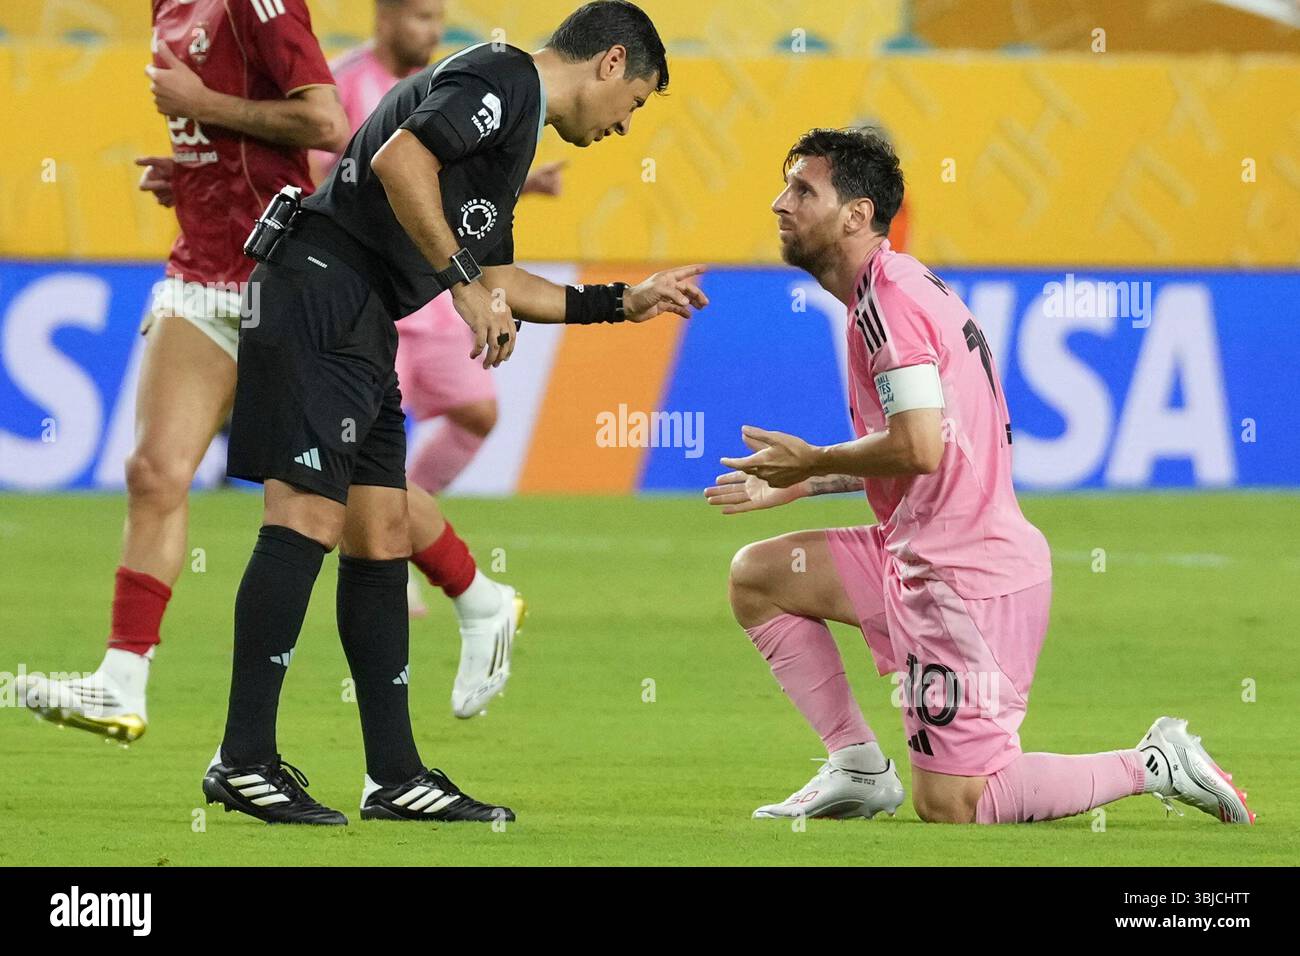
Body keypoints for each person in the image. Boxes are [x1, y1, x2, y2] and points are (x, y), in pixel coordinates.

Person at [203, 0, 709, 825]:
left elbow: (502, 279)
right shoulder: (503, 77)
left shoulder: (511, 131)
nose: (625, 127)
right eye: (638, 104)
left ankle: (394, 777)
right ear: (611, 63)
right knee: (304, 519)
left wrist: (624, 301)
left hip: (360, 314)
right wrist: (462, 282)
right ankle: (244, 756)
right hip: (319, 291)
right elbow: (403, 161)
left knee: (382, 533)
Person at [705, 127, 1252, 826]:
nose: (780, 204)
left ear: (856, 215)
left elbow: (920, 446)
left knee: (957, 803)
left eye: (801, 190)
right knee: (761, 576)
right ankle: (858, 769)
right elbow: (933, 446)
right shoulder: (892, 291)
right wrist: (805, 484)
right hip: (917, 552)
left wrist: (813, 459)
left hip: (961, 580)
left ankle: (1153, 763)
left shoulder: (891, 307)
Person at [16, 0, 348, 742]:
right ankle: (121, 680)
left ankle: (473, 590)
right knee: (153, 472)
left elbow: (327, 124)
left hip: (281, 278)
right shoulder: (167, 6)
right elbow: (234, 136)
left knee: (352, 505)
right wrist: (192, 169)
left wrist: (203, 106)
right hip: (200, 274)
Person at [307, 0, 565, 622]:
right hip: (369, 293)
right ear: (385, 18)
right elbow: (343, 176)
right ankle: (395, 550)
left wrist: (523, 187)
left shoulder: (458, 83)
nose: (431, 31)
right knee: (364, 447)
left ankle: (406, 519)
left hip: (436, 293)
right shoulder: (345, 82)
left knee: (476, 411)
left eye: (437, 19)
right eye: (420, 17)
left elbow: (453, 178)